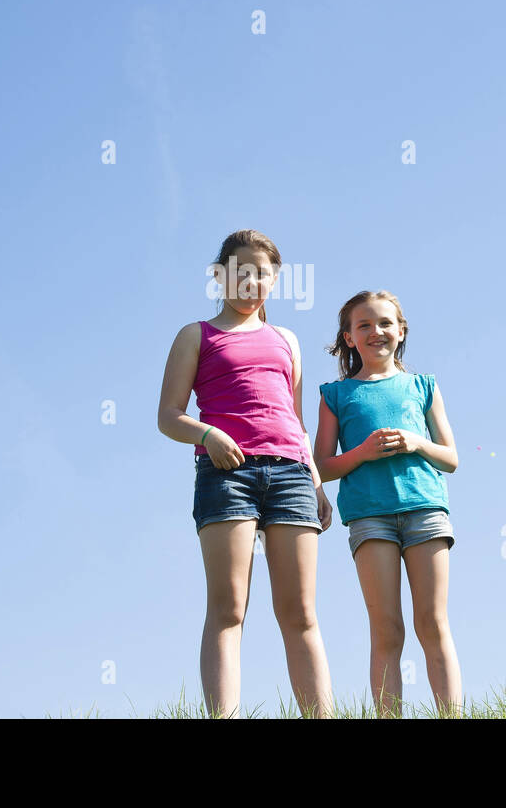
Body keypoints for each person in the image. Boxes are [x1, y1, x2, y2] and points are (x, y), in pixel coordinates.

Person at [157, 229, 334, 718]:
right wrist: (207, 435)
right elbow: (168, 415)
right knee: (228, 608)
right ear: (221, 275)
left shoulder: (286, 340)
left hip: (292, 477)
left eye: (263, 273)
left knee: (299, 613)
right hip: (226, 476)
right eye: (242, 271)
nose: (253, 281)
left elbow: (295, 422)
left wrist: (317, 483)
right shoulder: (197, 334)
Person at [314, 290, 461, 717]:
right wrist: (361, 453)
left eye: (384, 323)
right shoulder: (335, 395)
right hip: (369, 517)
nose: (376, 332)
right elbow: (321, 466)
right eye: (364, 325)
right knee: (387, 631)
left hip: (425, 509)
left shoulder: (423, 386)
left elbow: (451, 458)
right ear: (348, 337)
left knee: (432, 624)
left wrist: (416, 441)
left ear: (401, 331)